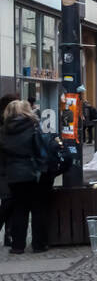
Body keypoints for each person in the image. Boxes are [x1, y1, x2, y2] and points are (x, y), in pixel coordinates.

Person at [1, 99, 51, 253]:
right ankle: (39, 244)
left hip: (14, 175)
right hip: (32, 172)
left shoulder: (3, 130)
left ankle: (17, 246)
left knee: (19, 209)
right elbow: (40, 150)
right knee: (37, 209)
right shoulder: (33, 127)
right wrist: (43, 168)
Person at [0, 93, 18, 246]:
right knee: (7, 200)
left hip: (12, 167)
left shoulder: (14, 123)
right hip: (3, 168)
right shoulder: (4, 125)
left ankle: (9, 234)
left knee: (11, 201)